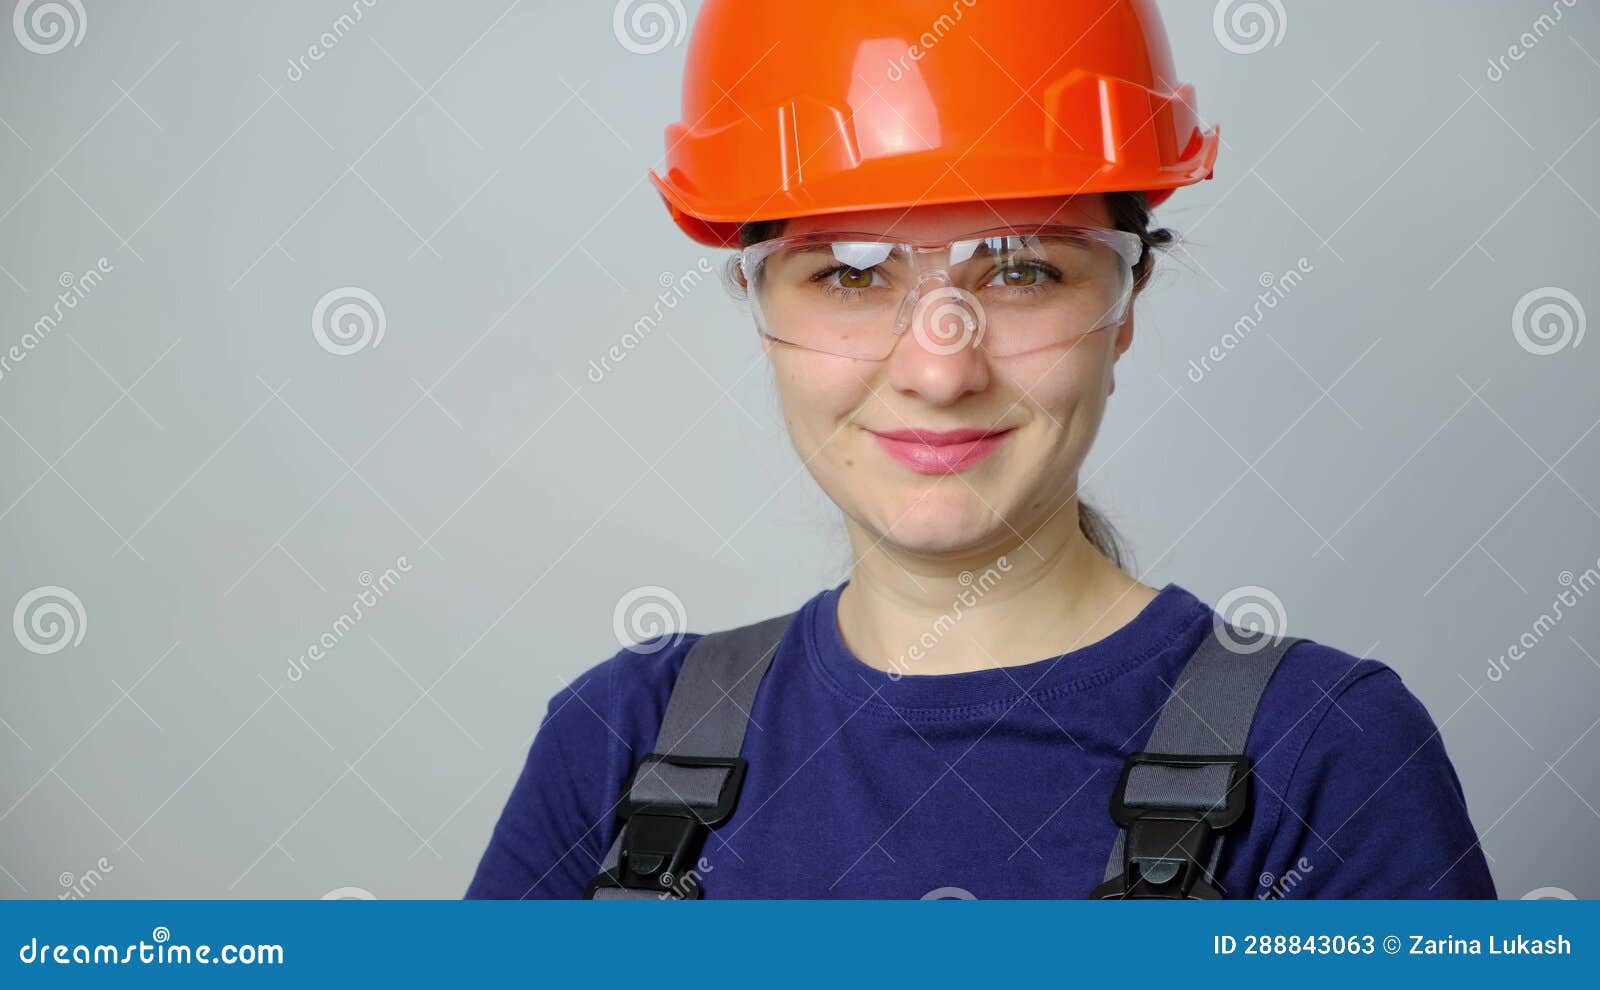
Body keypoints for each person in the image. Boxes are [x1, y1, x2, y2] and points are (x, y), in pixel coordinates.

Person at [466, 0, 1495, 900]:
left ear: (1125, 307)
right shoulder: (620, 741)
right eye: (850, 273)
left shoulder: (1324, 755)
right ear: (758, 305)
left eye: (1022, 271)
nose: (940, 369)